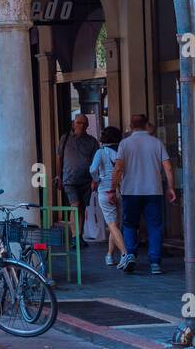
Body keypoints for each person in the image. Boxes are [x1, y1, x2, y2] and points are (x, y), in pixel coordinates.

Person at [111, 114, 175, 275]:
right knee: (154, 227)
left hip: (131, 191)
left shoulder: (125, 144)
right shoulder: (156, 143)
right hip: (153, 191)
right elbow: (168, 167)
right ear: (147, 124)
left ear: (131, 125)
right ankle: (155, 263)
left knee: (130, 224)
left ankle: (131, 254)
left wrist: (112, 189)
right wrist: (171, 188)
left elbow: (118, 168)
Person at [90, 125, 130, 267]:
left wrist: (97, 179)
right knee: (116, 224)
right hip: (122, 190)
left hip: (106, 190)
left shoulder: (101, 152)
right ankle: (109, 255)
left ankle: (125, 254)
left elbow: (93, 169)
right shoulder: (122, 151)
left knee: (112, 224)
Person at [55, 114, 99, 236]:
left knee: (82, 207)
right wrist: (59, 176)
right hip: (69, 179)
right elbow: (59, 158)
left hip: (86, 179)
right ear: (74, 123)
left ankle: (80, 235)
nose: (81, 125)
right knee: (75, 204)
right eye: (79, 123)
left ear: (88, 125)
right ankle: (75, 235)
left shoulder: (92, 141)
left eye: (84, 123)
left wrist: (95, 180)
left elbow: (96, 161)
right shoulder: (65, 138)